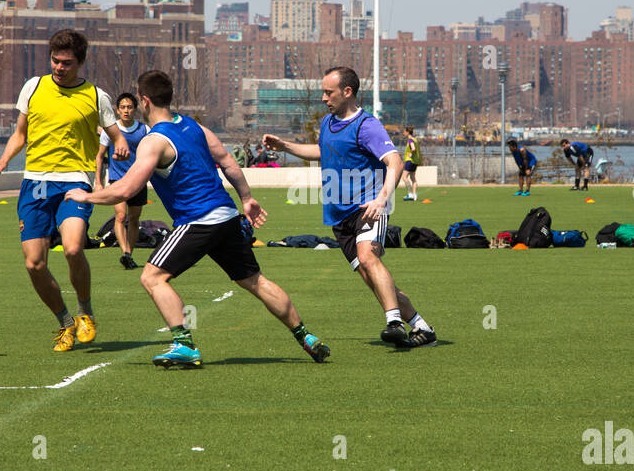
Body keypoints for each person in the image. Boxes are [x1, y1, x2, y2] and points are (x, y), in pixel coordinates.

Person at [69, 70, 329, 368]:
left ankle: (184, 345)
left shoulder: (154, 141)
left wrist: (86, 196)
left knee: (152, 277)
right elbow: (227, 160)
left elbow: (126, 189)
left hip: (198, 220)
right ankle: (306, 336)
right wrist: (246, 198)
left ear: (145, 100)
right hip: (227, 216)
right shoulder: (193, 126)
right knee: (254, 280)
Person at [263, 66, 438, 349]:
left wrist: (382, 198)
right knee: (371, 276)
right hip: (338, 215)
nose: (323, 98)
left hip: (368, 207)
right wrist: (285, 146)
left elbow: (394, 161)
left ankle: (394, 322)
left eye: (328, 92)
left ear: (347, 92)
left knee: (369, 258)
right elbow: (322, 150)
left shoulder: (367, 125)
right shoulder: (327, 122)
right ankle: (422, 328)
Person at [0, 29, 129, 352]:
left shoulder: (96, 96)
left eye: (66, 63)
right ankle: (65, 322)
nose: (59, 67)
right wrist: (4, 159)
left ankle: (85, 312)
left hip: (75, 181)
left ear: (80, 63)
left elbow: (116, 134)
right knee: (34, 264)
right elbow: (20, 134)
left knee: (73, 248)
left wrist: (121, 145)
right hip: (35, 183)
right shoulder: (33, 87)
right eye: (55, 60)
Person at [95, 91, 149, 270]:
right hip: (117, 180)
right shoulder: (111, 131)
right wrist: (98, 182)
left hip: (138, 180)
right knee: (120, 216)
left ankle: (129, 255)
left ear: (135, 109)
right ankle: (125, 252)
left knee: (134, 219)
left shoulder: (144, 130)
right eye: (123, 107)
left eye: (130, 107)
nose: (126, 110)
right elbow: (100, 156)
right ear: (117, 110)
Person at [401, 126, 421, 201]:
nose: (403, 133)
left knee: (404, 177)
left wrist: (411, 153)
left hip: (410, 160)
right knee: (413, 178)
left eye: (404, 132)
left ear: (407, 132)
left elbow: (413, 148)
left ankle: (410, 194)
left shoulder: (410, 140)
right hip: (415, 161)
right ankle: (415, 196)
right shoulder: (415, 139)